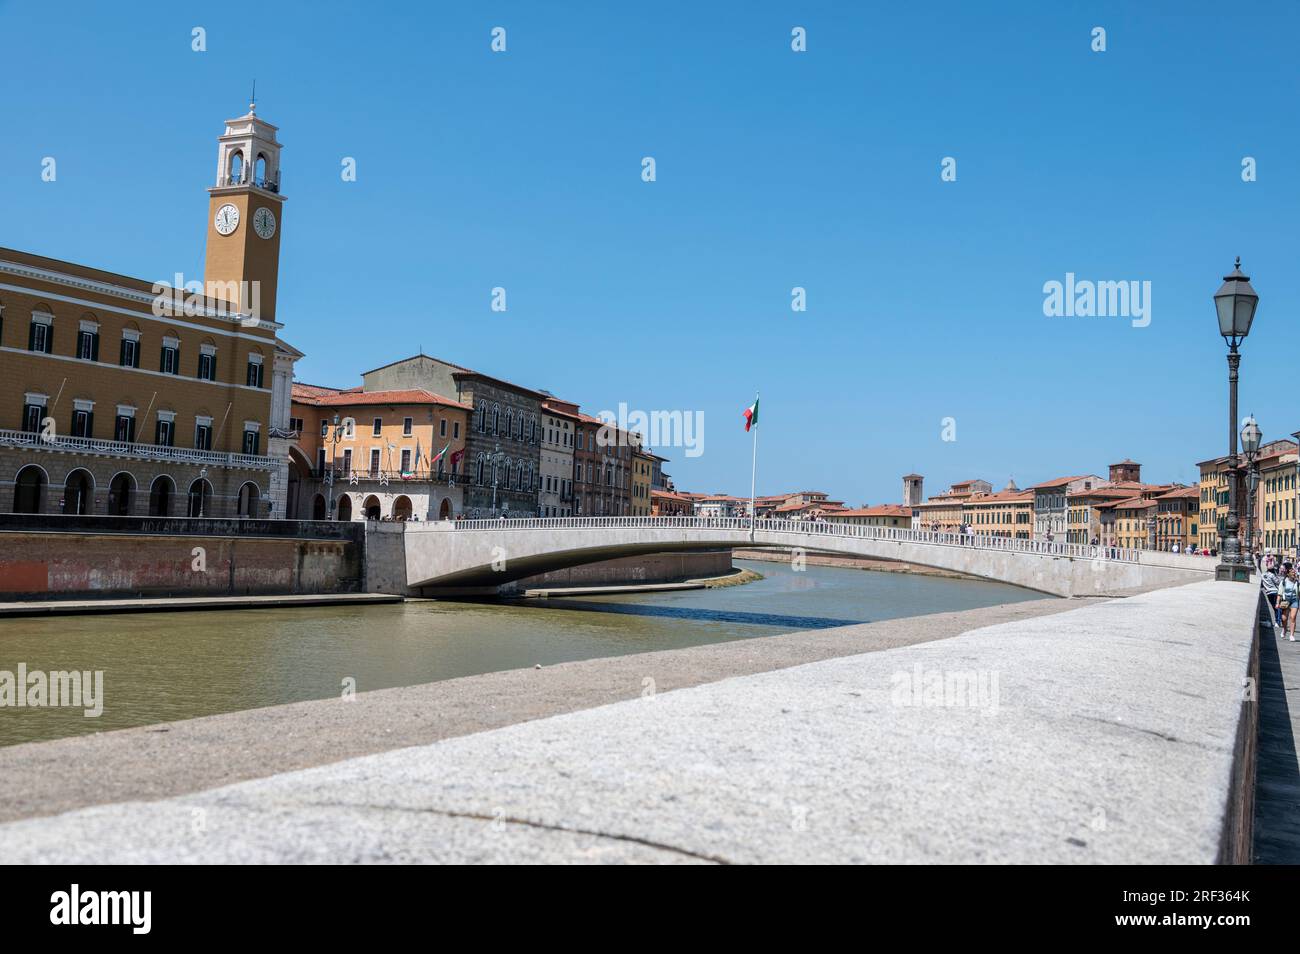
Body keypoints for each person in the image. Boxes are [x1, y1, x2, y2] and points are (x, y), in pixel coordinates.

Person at [1283, 568, 1300, 642]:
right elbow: (1280, 593)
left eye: (1294, 573)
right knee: (1284, 618)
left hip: (1294, 600)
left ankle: (1292, 635)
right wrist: (1277, 602)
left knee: (1293, 617)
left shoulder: (1297, 582)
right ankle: (1284, 629)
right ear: (1288, 574)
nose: (1294, 574)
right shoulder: (1284, 581)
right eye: (1292, 573)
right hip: (1286, 600)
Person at [1262, 563, 1282, 629]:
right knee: (1278, 607)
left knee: (1274, 607)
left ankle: (1277, 620)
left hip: (1268, 593)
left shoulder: (1263, 575)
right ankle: (1278, 622)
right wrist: (1276, 576)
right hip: (1275, 592)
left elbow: (1262, 584)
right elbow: (1278, 582)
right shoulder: (1272, 575)